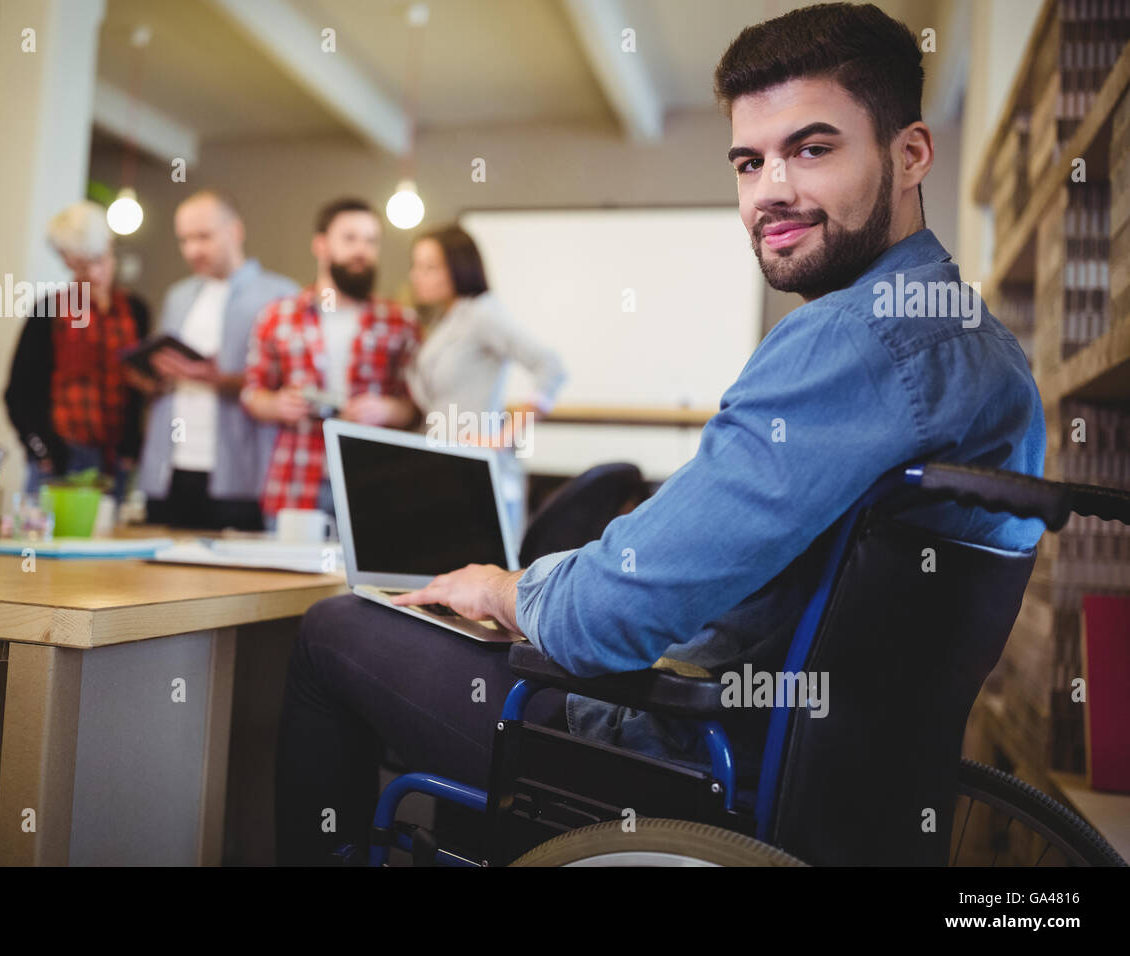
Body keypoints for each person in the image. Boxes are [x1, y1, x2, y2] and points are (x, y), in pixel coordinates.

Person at [273, 2, 1048, 865]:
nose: (772, 191)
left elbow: (612, 617)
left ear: (910, 153)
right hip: (841, 791)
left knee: (333, 628)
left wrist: (506, 589)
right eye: (750, 162)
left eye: (812, 148)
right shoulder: (987, 353)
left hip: (693, 762)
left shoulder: (856, 340)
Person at [241, 198, 418, 525]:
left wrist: (387, 409)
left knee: (370, 577)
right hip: (295, 482)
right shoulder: (277, 316)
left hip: (374, 480)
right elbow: (252, 394)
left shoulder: (400, 322)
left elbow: (417, 405)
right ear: (321, 245)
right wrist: (278, 404)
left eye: (370, 241)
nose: (361, 250)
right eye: (350, 238)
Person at [135, 190, 298, 530]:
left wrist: (219, 378)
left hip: (240, 474)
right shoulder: (178, 296)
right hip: (170, 469)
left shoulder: (280, 294)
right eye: (184, 240)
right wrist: (155, 376)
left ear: (235, 231)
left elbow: (290, 389)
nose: (193, 250)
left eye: (204, 237)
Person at [405, 225, 566, 536]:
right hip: (440, 465)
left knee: (479, 573)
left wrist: (503, 438)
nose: (417, 276)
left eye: (430, 267)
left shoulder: (482, 314)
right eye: (416, 266)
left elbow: (551, 366)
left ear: (458, 268)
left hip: (476, 469)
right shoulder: (446, 319)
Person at [4, 200, 148, 498]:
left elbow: (139, 391)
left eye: (100, 261)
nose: (95, 274)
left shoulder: (135, 312)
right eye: (83, 265)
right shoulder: (49, 310)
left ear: (110, 248)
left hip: (116, 463)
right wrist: (43, 451)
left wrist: (132, 448)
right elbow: (18, 394)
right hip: (62, 457)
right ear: (67, 260)